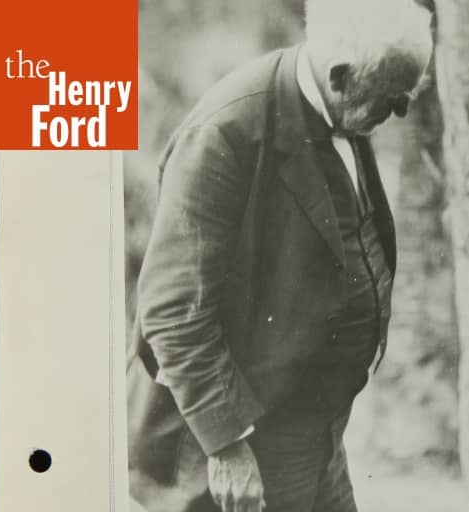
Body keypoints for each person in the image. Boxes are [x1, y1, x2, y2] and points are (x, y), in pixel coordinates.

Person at [125, 1, 433, 511]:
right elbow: (172, 309)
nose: (397, 115)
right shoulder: (228, 131)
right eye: (391, 101)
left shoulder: (342, 107)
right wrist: (227, 446)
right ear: (340, 75)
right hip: (249, 441)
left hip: (317, 431)